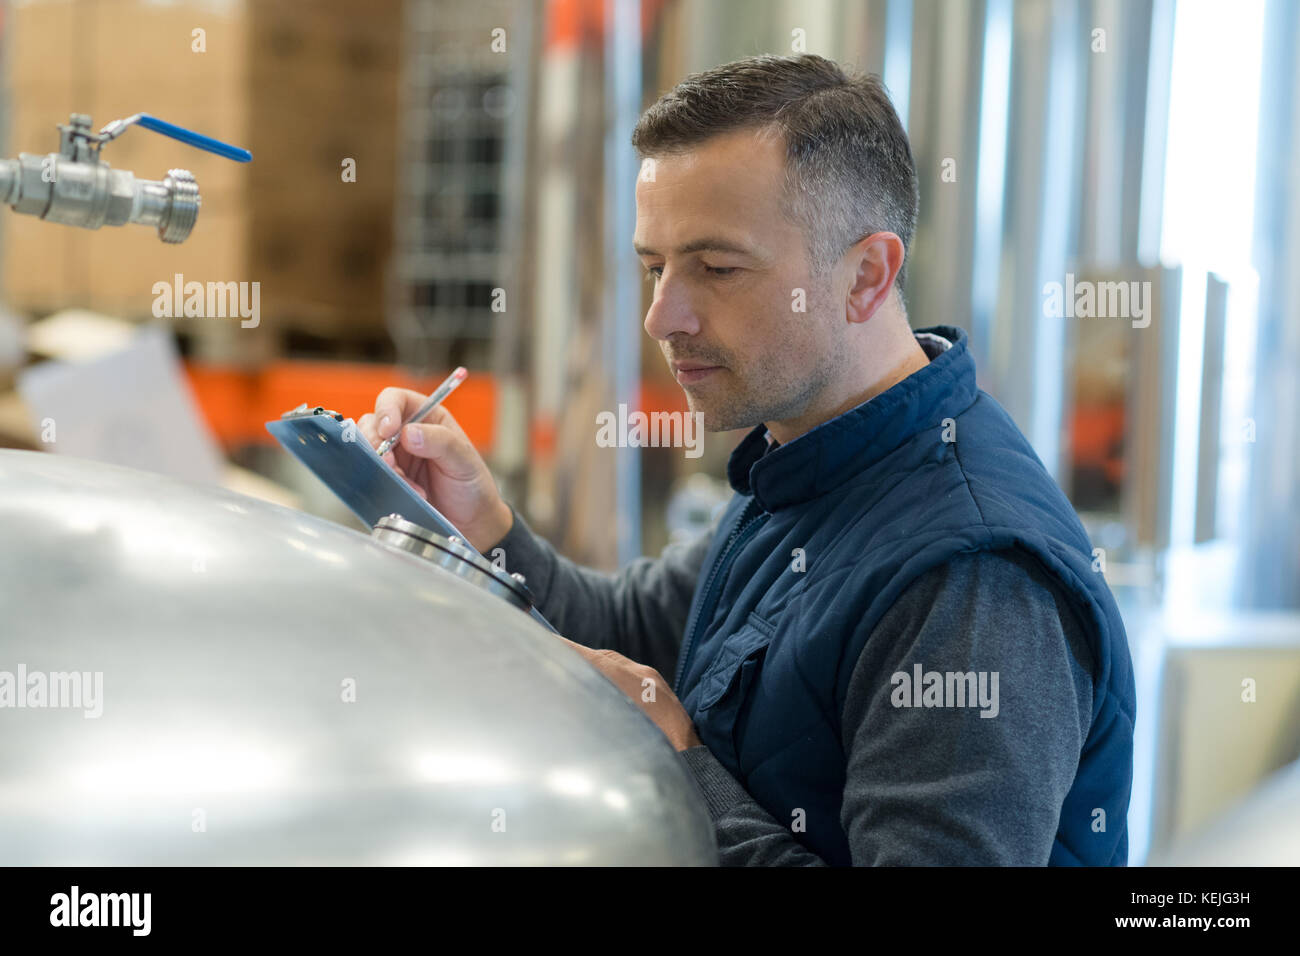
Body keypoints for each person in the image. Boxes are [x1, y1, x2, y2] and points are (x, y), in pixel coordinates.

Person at [358, 53, 1136, 866]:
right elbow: (642, 631)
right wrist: (484, 526)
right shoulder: (815, 455)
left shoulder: (970, 581)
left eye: (717, 268)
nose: (662, 317)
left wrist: (677, 769)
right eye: (654, 267)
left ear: (867, 274)